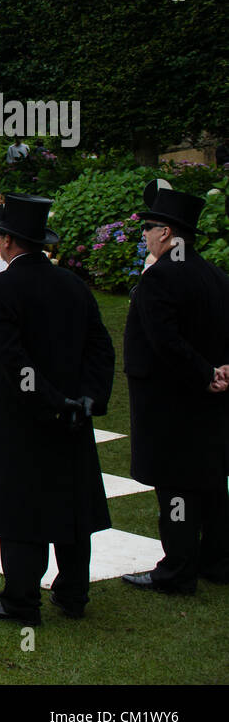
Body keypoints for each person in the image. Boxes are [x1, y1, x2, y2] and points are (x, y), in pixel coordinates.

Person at [0, 194, 115, 626]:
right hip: (73, 416)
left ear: (11, 243)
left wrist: (52, 402)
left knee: (21, 507)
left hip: (21, 418)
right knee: (72, 502)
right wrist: (86, 401)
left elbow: (15, 363)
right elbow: (101, 348)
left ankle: (21, 599)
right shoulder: (74, 284)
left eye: (0, 237)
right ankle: (73, 594)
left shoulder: (0, 289)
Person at [121, 184, 229, 594]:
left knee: (175, 487)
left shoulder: (160, 277)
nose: (145, 236)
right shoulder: (216, 275)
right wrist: (221, 372)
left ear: (165, 233)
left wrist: (205, 372)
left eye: (149, 229)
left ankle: (178, 569)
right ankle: (218, 560)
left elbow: (165, 340)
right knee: (211, 479)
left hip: (171, 401)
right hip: (211, 399)